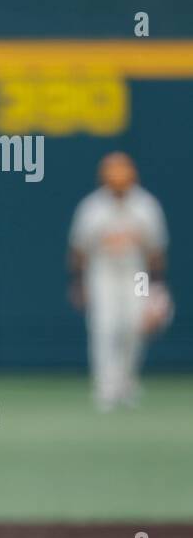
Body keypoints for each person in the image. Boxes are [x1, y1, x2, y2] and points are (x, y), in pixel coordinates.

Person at [68, 152, 171, 410]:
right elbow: (78, 250)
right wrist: (78, 282)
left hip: (136, 273)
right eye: (112, 173)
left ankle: (126, 382)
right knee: (104, 327)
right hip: (102, 273)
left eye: (122, 173)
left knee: (134, 326)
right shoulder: (92, 208)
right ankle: (106, 387)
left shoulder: (146, 206)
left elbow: (156, 252)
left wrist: (157, 288)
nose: (118, 179)